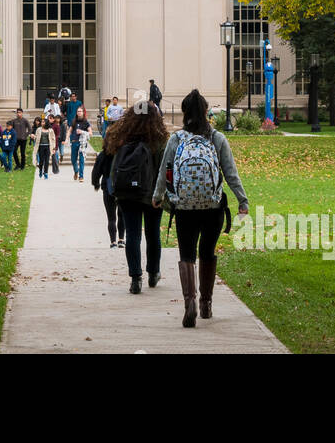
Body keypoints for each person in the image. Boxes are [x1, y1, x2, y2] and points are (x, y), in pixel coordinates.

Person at [153, 89, 249, 327]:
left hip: (184, 208)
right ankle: (206, 304)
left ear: (185, 113)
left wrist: (157, 196)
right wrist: (242, 201)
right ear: (206, 112)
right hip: (213, 207)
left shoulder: (176, 140)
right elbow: (230, 173)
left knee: (187, 254)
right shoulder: (217, 138)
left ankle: (190, 303)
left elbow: (164, 172)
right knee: (207, 252)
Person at [100, 103, 169, 294]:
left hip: (127, 194)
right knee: (153, 233)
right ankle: (153, 273)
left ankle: (135, 278)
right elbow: (164, 168)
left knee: (132, 234)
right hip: (152, 194)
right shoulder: (160, 139)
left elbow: (113, 162)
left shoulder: (120, 137)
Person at [90, 137, 125, 249]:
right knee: (121, 214)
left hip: (107, 186)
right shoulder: (122, 153)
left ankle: (113, 241)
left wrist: (96, 183)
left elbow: (96, 171)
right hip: (121, 187)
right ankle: (121, 239)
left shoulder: (103, 155)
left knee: (111, 217)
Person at [69, 109, 92, 181]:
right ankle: (76, 171)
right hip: (74, 141)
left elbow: (90, 133)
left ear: (83, 113)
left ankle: (81, 176)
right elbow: (69, 131)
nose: (79, 112)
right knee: (73, 160)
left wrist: (82, 132)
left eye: (80, 111)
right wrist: (66, 139)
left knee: (81, 160)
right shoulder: (74, 121)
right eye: (78, 111)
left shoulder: (86, 122)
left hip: (82, 143)